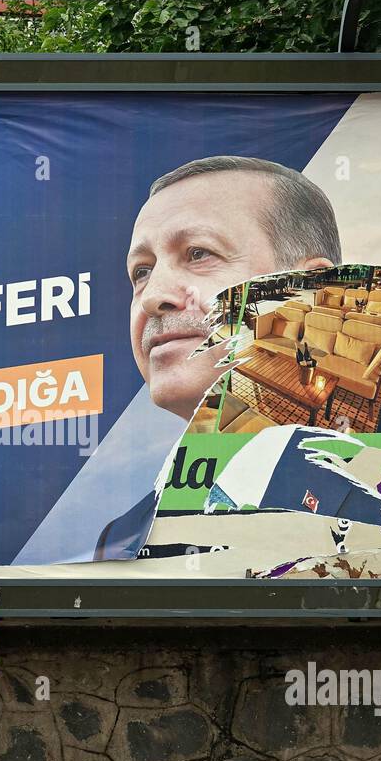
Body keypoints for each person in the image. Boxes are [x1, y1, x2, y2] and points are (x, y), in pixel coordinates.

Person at [94, 156, 343, 559]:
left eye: (198, 254)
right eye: (141, 271)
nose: (154, 295)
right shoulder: (122, 540)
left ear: (313, 291)